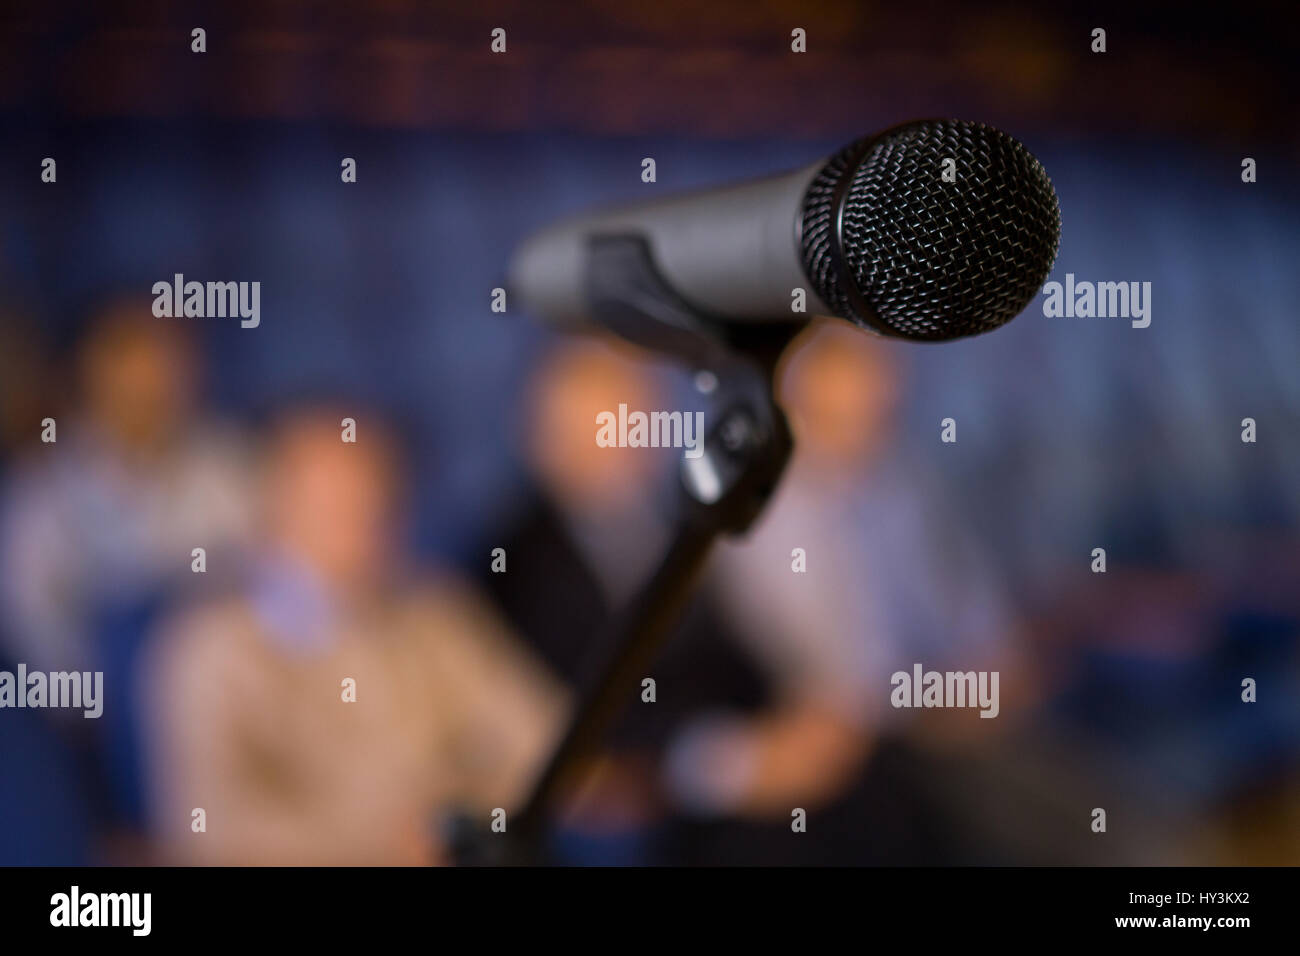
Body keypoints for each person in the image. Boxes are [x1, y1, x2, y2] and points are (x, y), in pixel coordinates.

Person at [143, 407, 565, 865]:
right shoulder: (207, 650)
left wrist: (456, 818)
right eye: (336, 506)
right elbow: (214, 829)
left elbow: (544, 745)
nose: (364, 525)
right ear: (274, 511)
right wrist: (384, 842)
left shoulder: (437, 614)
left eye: (378, 503)